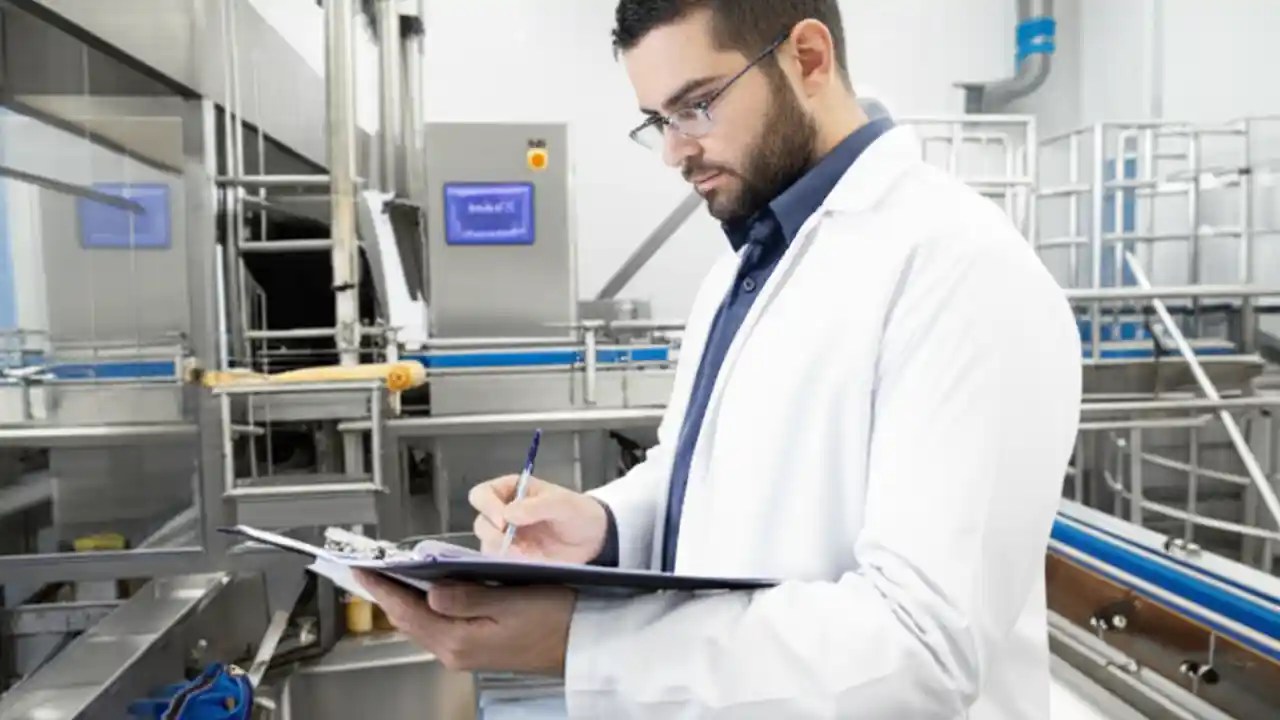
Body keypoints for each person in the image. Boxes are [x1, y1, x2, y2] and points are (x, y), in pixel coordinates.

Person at [356, 0, 1083, 717]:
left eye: (696, 106)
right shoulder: (748, 264)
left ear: (808, 58)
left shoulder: (962, 269)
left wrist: (583, 642)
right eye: (658, 122)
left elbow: (921, 647)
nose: (675, 151)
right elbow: (698, 473)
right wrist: (604, 527)